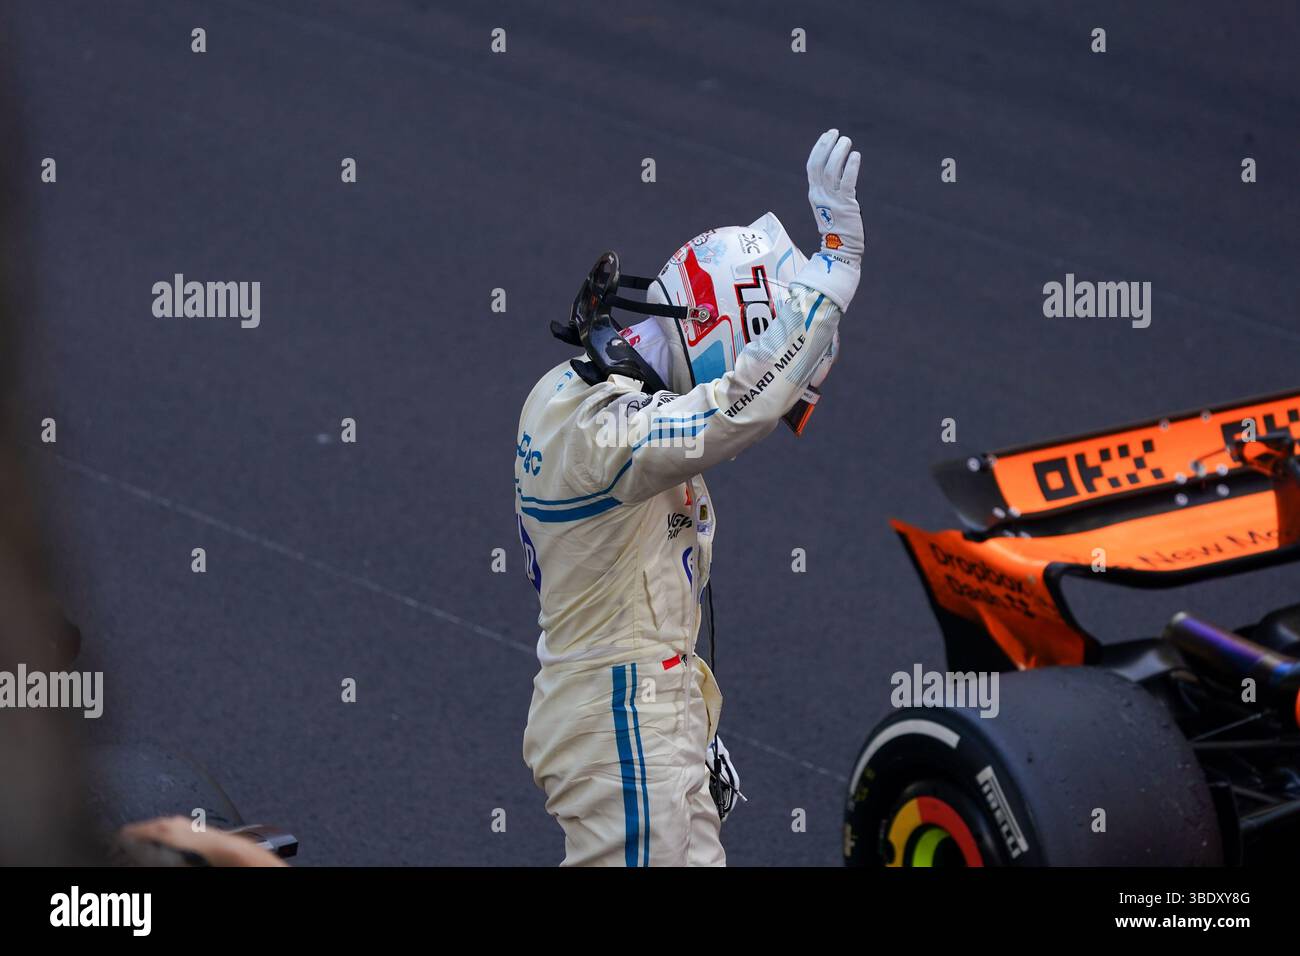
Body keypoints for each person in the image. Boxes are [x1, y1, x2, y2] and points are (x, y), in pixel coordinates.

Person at [515, 129, 864, 866]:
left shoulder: (611, 406)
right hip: (618, 723)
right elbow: (730, 412)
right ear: (730, 334)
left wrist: (688, 726)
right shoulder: (585, 416)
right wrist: (827, 282)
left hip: (643, 720)